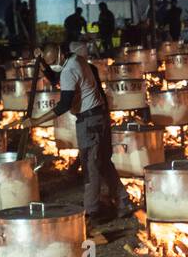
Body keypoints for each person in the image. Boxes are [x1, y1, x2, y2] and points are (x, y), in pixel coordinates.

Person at [26, 41, 128, 224]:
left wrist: (36, 121)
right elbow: (57, 80)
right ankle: (123, 201)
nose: (52, 66)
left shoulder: (68, 71)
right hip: (100, 116)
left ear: (60, 55)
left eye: (51, 62)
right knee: (103, 162)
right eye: (48, 63)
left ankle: (92, 211)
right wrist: (41, 63)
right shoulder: (77, 60)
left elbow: (64, 104)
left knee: (90, 167)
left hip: (89, 122)